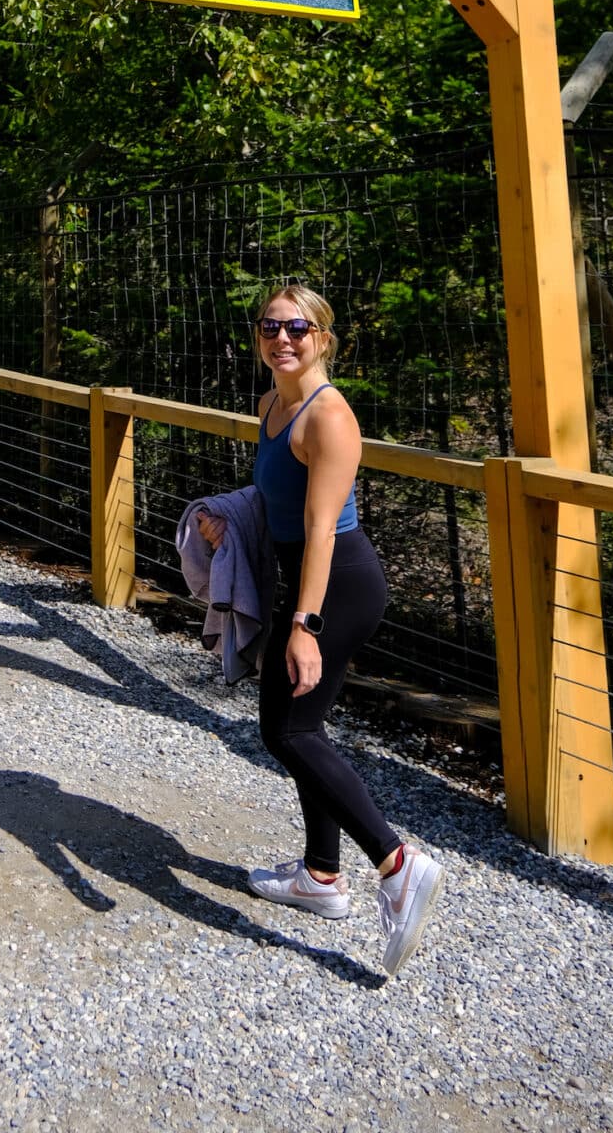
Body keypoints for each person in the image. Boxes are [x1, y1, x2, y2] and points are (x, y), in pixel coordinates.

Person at [196, 280, 444, 976]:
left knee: (287, 730)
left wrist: (303, 625)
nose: (282, 339)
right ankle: (320, 877)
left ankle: (396, 864)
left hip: (336, 587)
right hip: (302, 580)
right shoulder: (271, 403)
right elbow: (276, 495)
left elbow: (320, 530)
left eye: (298, 329)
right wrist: (228, 519)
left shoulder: (328, 418)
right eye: (271, 327)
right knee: (305, 726)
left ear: (323, 339)